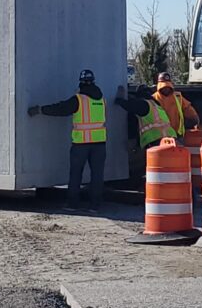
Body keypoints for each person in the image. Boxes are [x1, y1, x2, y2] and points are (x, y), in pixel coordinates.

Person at [28, 68, 109, 209]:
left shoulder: (79, 99)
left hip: (81, 144)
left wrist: (40, 110)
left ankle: (73, 204)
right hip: (100, 144)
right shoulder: (102, 99)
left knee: (76, 174)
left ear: (81, 83)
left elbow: (61, 109)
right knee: (97, 176)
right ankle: (96, 206)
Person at [112, 85, 177, 179]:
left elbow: (131, 106)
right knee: (170, 168)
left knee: (157, 168)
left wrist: (120, 100)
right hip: (169, 139)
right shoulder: (156, 105)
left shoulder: (145, 105)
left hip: (157, 141)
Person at [150, 71, 199, 136]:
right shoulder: (153, 98)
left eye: (168, 87)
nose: (166, 89)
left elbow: (188, 109)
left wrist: (194, 119)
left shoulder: (178, 97)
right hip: (160, 137)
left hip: (176, 135)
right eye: (163, 87)